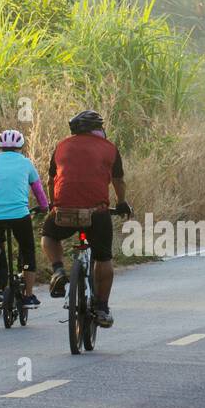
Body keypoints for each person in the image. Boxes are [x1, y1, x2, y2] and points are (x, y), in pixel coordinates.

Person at [40, 110, 132, 328]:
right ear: (97, 129)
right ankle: (101, 307)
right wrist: (121, 202)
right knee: (103, 258)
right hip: (97, 213)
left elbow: (51, 179)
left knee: (48, 235)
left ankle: (58, 270)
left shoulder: (61, 146)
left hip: (64, 212)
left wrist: (54, 204)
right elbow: (118, 181)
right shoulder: (109, 148)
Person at [0, 129, 49, 307]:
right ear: (20, 147)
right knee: (27, 250)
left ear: (0, 147)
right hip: (19, 214)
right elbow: (38, 189)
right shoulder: (26, 163)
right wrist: (44, 207)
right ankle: (28, 296)